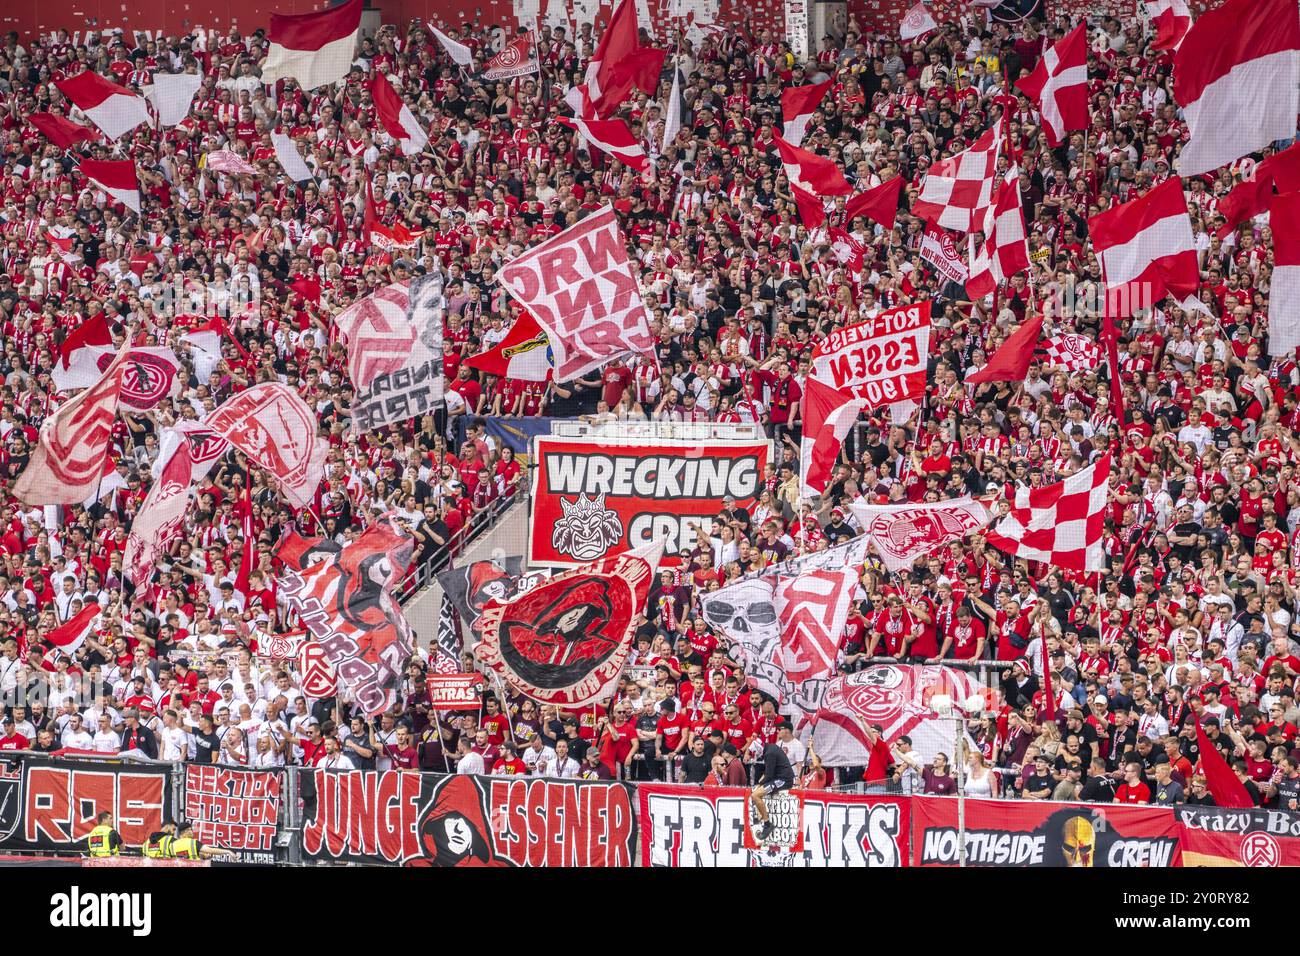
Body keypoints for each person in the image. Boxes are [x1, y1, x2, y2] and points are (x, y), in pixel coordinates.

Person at [750, 742, 795, 841]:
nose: (756, 756)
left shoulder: (769, 753)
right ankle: (761, 818)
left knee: (755, 795)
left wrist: (759, 784)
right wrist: (759, 784)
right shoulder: (770, 747)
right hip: (779, 777)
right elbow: (768, 772)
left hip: (783, 780)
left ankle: (767, 824)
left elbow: (768, 775)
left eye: (755, 753)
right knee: (756, 791)